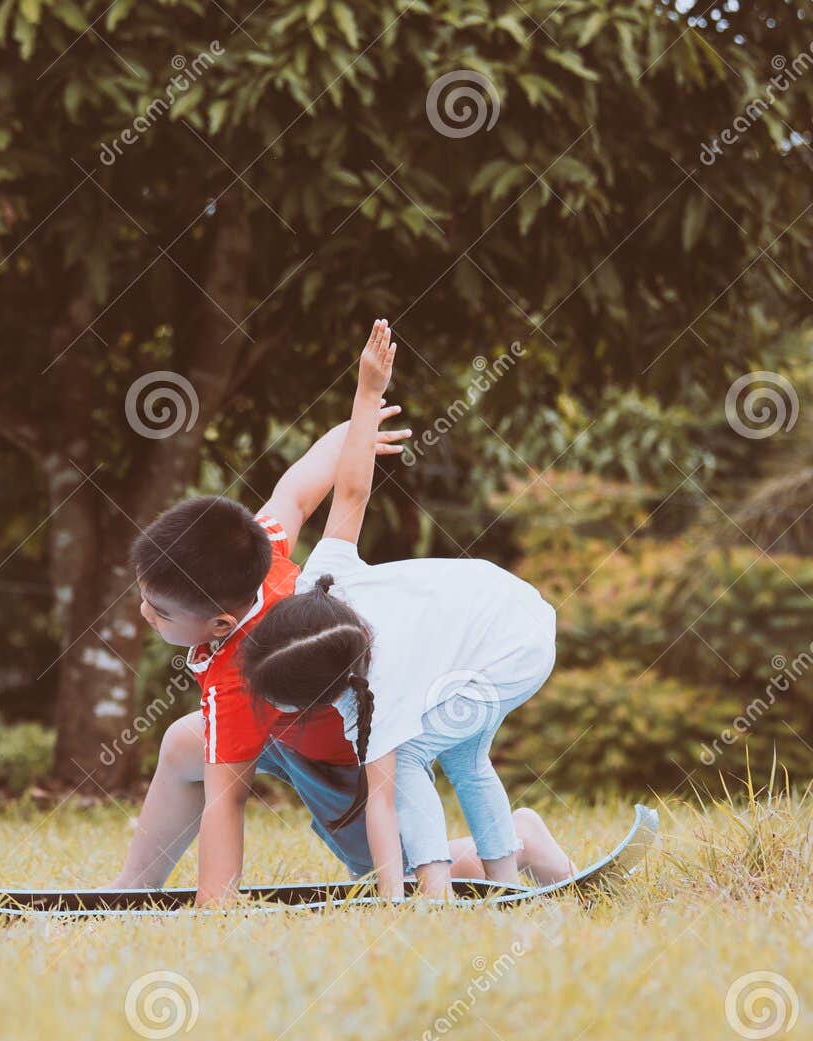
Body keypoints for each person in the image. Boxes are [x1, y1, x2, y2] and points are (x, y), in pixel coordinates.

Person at [240, 320, 573, 898]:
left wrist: (398, 899)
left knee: (415, 754)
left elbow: (387, 798)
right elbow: (351, 493)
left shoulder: (382, 689)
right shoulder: (322, 583)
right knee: (467, 756)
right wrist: (367, 391)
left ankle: (437, 894)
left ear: (328, 692)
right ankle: (505, 881)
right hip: (502, 608)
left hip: (509, 643)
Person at [108, 330, 412, 902]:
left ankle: (517, 838)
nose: (145, 613)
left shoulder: (235, 677)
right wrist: (354, 431)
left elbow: (227, 800)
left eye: (162, 611)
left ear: (221, 625)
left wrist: (214, 906)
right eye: (145, 596)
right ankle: (132, 886)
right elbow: (297, 492)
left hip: (346, 756)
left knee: (397, 874)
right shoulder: (259, 555)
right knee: (182, 744)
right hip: (288, 731)